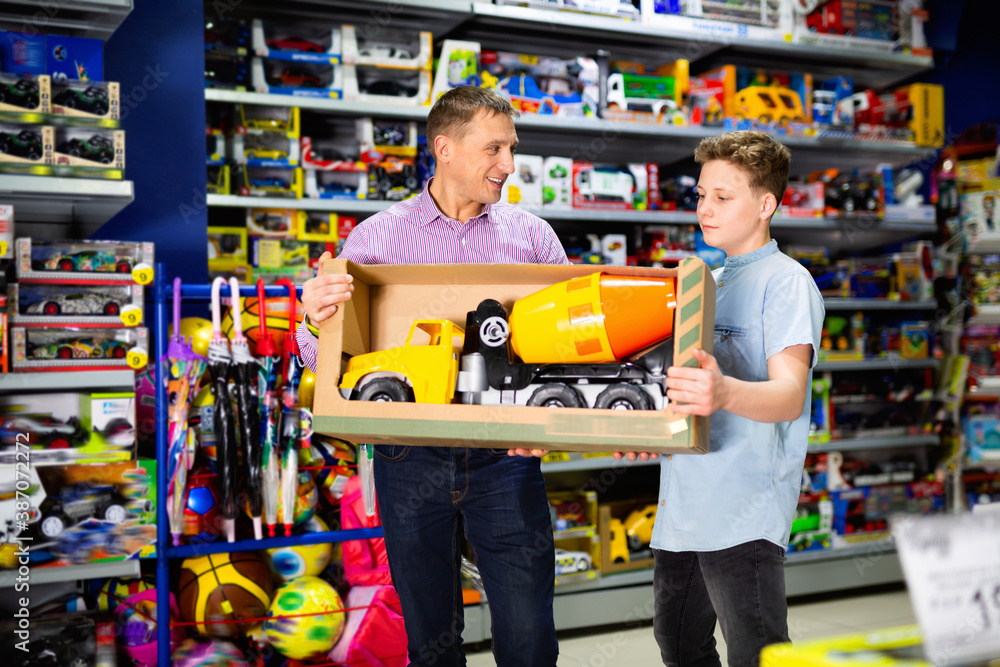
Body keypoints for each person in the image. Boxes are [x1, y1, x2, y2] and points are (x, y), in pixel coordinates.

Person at [296, 86, 567, 667]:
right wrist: (315, 322)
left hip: (508, 455)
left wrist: (552, 424)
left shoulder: (533, 238)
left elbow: (571, 357)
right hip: (408, 456)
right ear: (444, 148)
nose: (509, 165)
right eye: (494, 149)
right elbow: (326, 363)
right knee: (429, 637)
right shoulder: (373, 239)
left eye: (511, 148)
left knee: (529, 637)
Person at [633, 131, 825, 667]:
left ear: (766, 204)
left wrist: (722, 390)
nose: (705, 209)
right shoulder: (705, 284)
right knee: (678, 643)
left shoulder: (787, 283)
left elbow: (788, 396)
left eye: (723, 196)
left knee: (756, 652)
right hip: (684, 506)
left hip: (744, 507)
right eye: (700, 195)